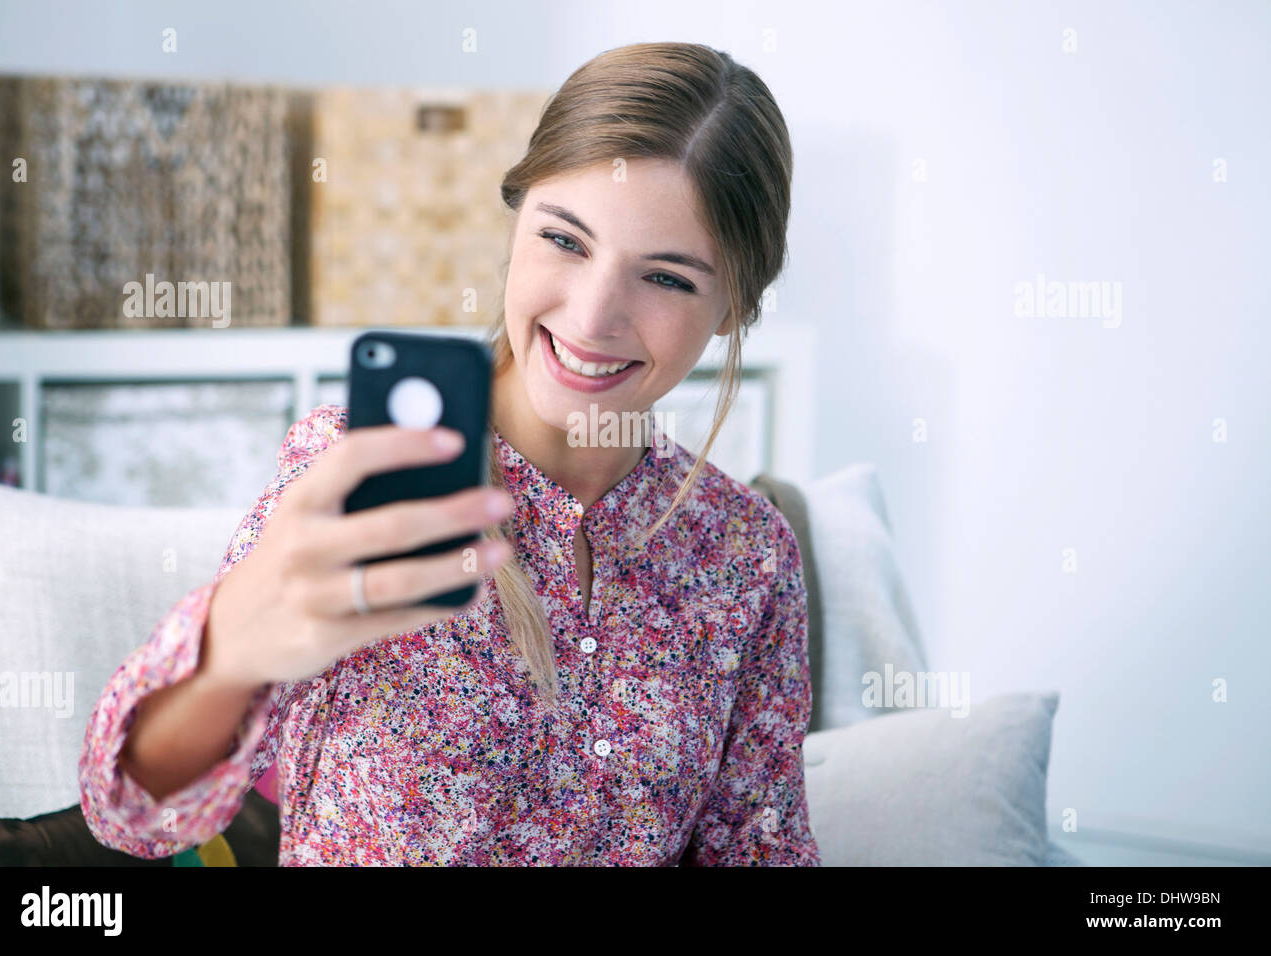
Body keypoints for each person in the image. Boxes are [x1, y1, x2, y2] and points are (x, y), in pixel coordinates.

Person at [79, 40, 820, 866]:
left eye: (668, 279)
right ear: (518, 217)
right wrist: (230, 657)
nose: (592, 315)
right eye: (566, 241)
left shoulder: (748, 555)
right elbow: (135, 819)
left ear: (734, 306)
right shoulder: (360, 470)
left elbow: (762, 847)